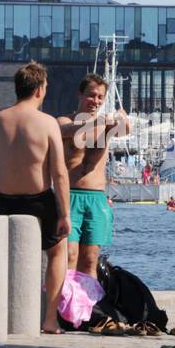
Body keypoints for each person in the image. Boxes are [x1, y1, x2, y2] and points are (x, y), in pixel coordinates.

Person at [0, 61, 71, 334]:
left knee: (10, 254)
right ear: (40, 90)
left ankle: (7, 312)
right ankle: (50, 319)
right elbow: (60, 173)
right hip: (38, 200)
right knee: (57, 252)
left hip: (4, 199)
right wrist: (64, 214)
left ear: (17, 89)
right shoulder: (47, 123)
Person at [57, 72, 130, 278]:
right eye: (91, 95)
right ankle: (65, 308)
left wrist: (120, 116)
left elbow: (126, 127)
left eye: (100, 97)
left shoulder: (106, 125)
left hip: (96, 198)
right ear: (80, 95)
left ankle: (89, 308)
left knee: (90, 259)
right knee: (69, 255)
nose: (95, 101)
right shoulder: (65, 120)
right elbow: (67, 130)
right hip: (69, 196)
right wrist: (99, 122)